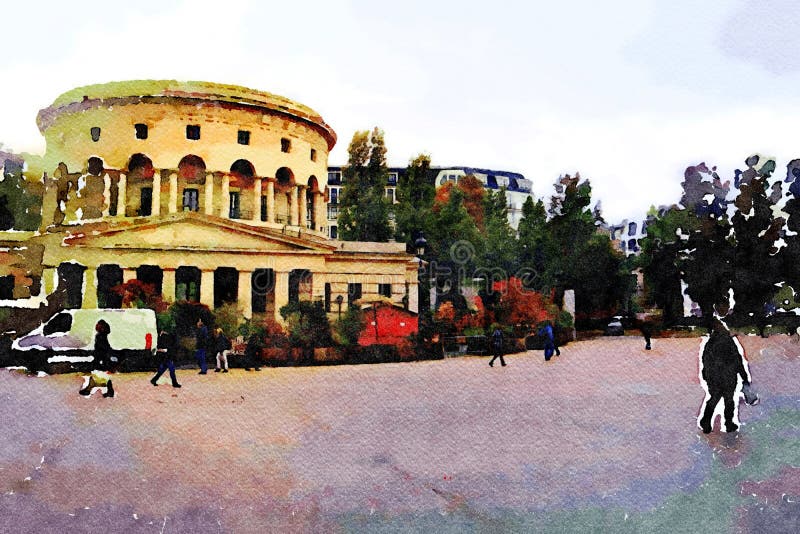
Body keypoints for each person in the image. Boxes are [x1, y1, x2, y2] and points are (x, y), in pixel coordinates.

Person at [698, 310, 752, 434]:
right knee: (729, 400)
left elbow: (706, 360)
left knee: (715, 398)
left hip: (715, 376)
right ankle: (728, 423)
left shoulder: (710, 343)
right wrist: (743, 375)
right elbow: (737, 359)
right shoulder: (728, 341)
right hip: (728, 375)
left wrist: (706, 375)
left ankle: (706, 421)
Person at [79, 320, 115, 398]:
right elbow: (106, 347)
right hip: (102, 359)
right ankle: (109, 391)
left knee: (97, 374)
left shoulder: (99, 336)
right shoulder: (102, 336)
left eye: (98, 325)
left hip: (100, 359)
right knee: (102, 376)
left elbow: (103, 347)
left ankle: (89, 389)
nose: (97, 326)